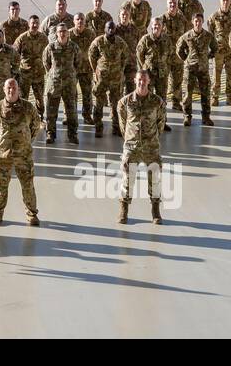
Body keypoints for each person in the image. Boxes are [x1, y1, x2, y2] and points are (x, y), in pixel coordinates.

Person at [0, 78, 40, 227]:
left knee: (28, 185)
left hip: (23, 155)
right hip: (3, 155)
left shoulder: (28, 108)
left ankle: (32, 214)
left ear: (18, 89)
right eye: (8, 88)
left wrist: (25, 141)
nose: (11, 90)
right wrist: (2, 142)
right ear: (4, 89)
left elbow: (35, 126)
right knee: (1, 186)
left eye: (14, 87)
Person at [117, 70, 165, 225]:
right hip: (132, 147)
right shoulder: (125, 102)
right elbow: (123, 124)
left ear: (149, 81)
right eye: (139, 80)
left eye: (144, 80)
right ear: (134, 80)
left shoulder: (157, 102)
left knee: (155, 179)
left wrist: (152, 138)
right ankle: (123, 210)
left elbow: (161, 123)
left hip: (151, 146)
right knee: (127, 178)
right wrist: (130, 138)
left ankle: (155, 210)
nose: (142, 83)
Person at [88, 20, 129, 135]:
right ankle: (98, 127)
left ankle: (116, 126)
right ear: (105, 29)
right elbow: (91, 56)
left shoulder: (120, 42)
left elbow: (125, 56)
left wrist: (120, 69)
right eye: (108, 28)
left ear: (115, 29)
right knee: (99, 102)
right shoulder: (98, 41)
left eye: (112, 28)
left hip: (116, 78)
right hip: (102, 78)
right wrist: (96, 70)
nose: (110, 30)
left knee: (116, 103)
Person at [176, 13, 217, 125]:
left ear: (202, 21)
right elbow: (179, 49)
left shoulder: (208, 36)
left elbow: (215, 47)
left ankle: (206, 117)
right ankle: (187, 116)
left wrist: (208, 57)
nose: (198, 23)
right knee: (187, 94)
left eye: (200, 21)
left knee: (205, 94)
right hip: (190, 69)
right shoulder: (186, 36)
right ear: (192, 22)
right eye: (196, 21)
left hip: (203, 69)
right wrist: (186, 59)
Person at [43, 22, 80, 143]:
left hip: (69, 84)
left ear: (68, 33)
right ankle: (50, 134)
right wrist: (55, 74)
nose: (62, 33)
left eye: (64, 31)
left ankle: (72, 135)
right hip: (54, 85)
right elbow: (46, 63)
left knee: (71, 111)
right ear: (57, 33)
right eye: (60, 31)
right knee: (51, 111)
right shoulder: (51, 47)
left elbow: (78, 63)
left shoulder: (74, 47)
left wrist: (71, 74)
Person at [12, 15, 49, 119]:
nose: (35, 25)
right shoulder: (22, 38)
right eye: (33, 23)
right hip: (25, 74)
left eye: (37, 23)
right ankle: (23, 119)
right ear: (29, 24)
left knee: (40, 98)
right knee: (23, 98)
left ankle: (40, 117)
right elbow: (14, 55)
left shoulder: (43, 38)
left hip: (39, 74)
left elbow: (48, 54)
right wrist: (15, 71)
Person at [208, 0, 231, 107]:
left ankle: (230, 96)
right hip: (218, 51)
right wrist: (212, 49)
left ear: (230, 2)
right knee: (216, 75)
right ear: (220, 2)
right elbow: (210, 34)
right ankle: (215, 97)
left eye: (227, 0)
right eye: (223, 0)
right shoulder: (214, 17)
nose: (225, 2)